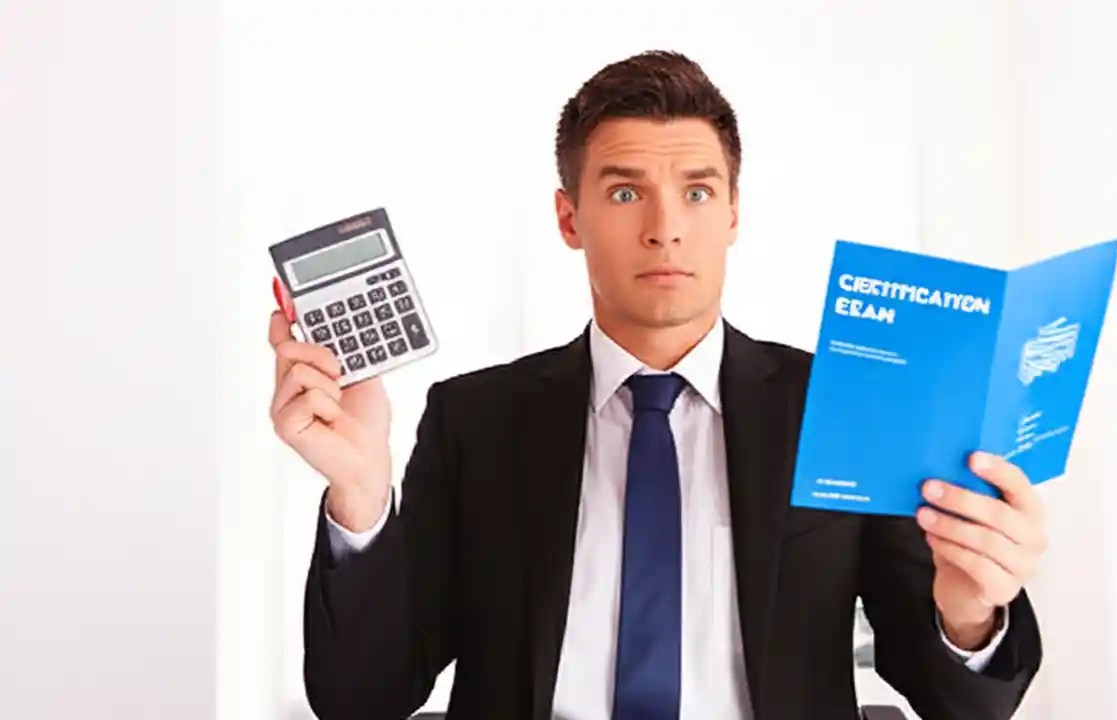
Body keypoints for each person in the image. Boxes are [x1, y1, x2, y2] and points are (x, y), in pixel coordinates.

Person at [269, 50, 1045, 720]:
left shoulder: (839, 405)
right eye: (624, 191)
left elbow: (962, 705)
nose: (665, 226)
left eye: (698, 192)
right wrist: (362, 499)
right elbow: (359, 699)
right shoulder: (477, 419)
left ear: (735, 211)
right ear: (569, 218)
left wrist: (971, 610)